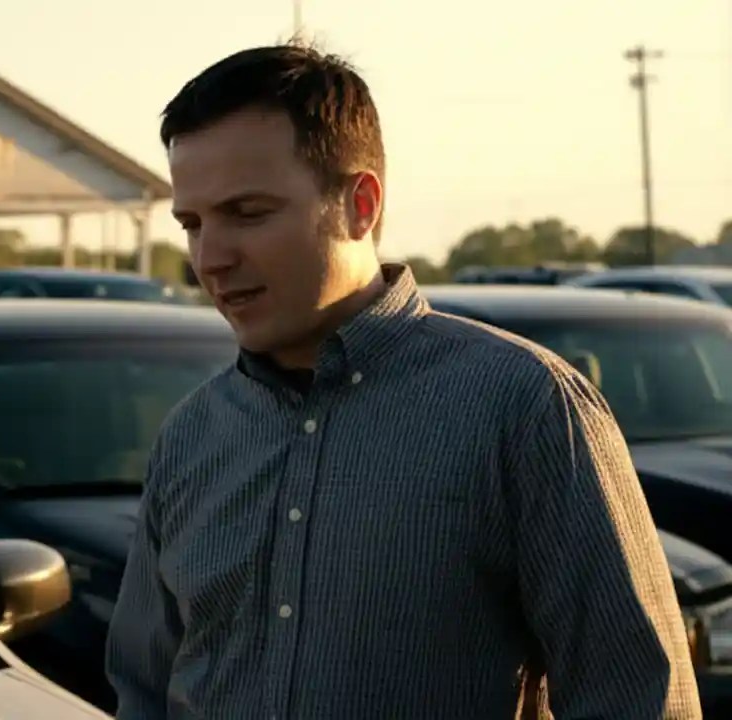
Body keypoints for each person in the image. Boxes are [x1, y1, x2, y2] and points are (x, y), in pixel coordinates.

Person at [105, 41, 700, 719]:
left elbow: (641, 701)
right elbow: (144, 694)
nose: (210, 258)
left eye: (248, 214)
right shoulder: (191, 438)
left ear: (361, 204)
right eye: (191, 223)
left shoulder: (524, 408)